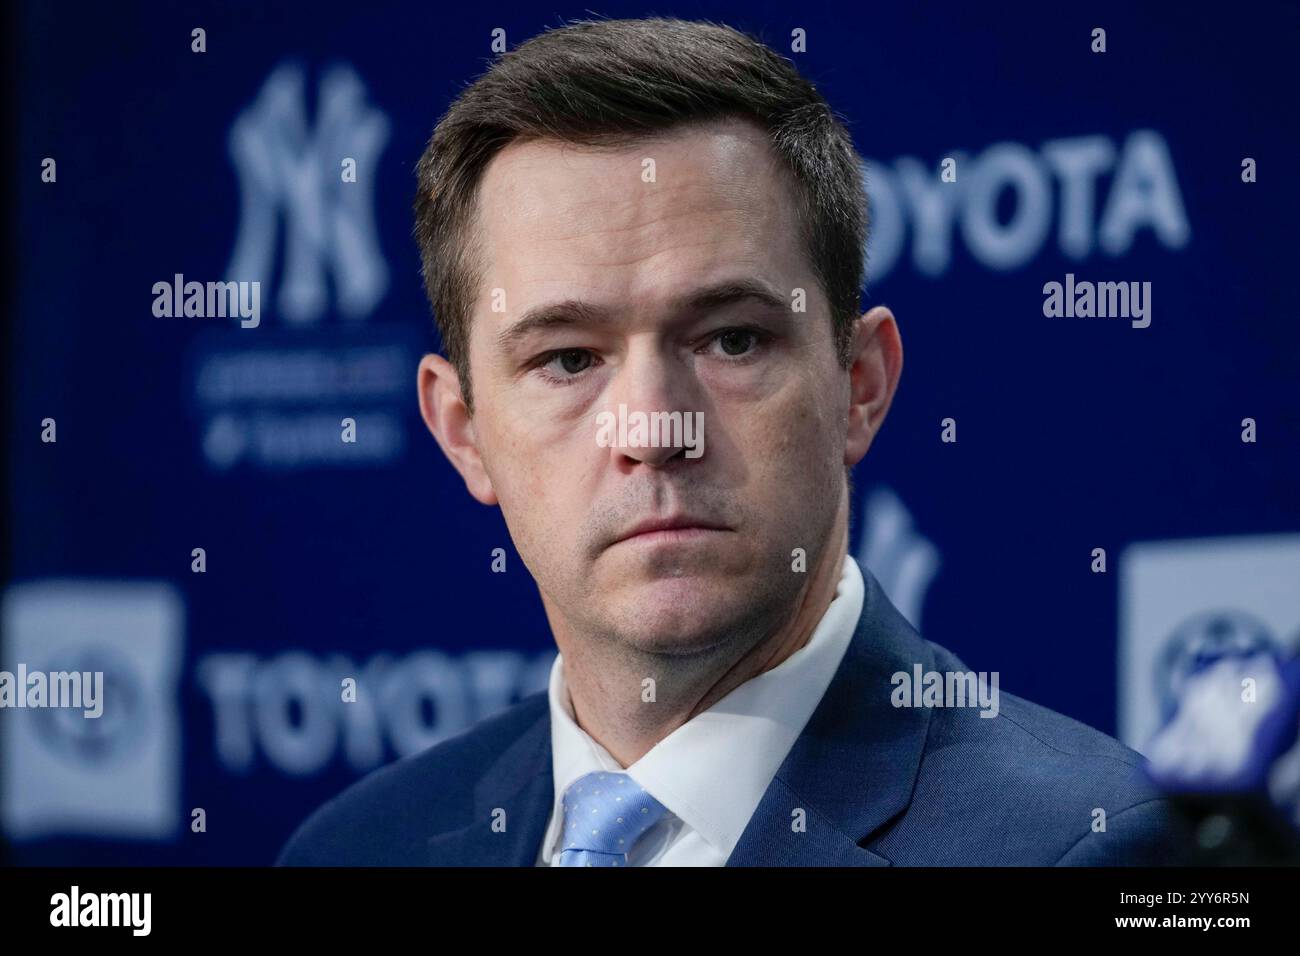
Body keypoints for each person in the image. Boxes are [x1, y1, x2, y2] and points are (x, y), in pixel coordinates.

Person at [277, 17, 1191, 866]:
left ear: (860, 385)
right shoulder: (357, 848)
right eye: (567, 359)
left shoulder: (1103, 848)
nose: (652, 430)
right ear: (464, 432)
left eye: (732, 340)